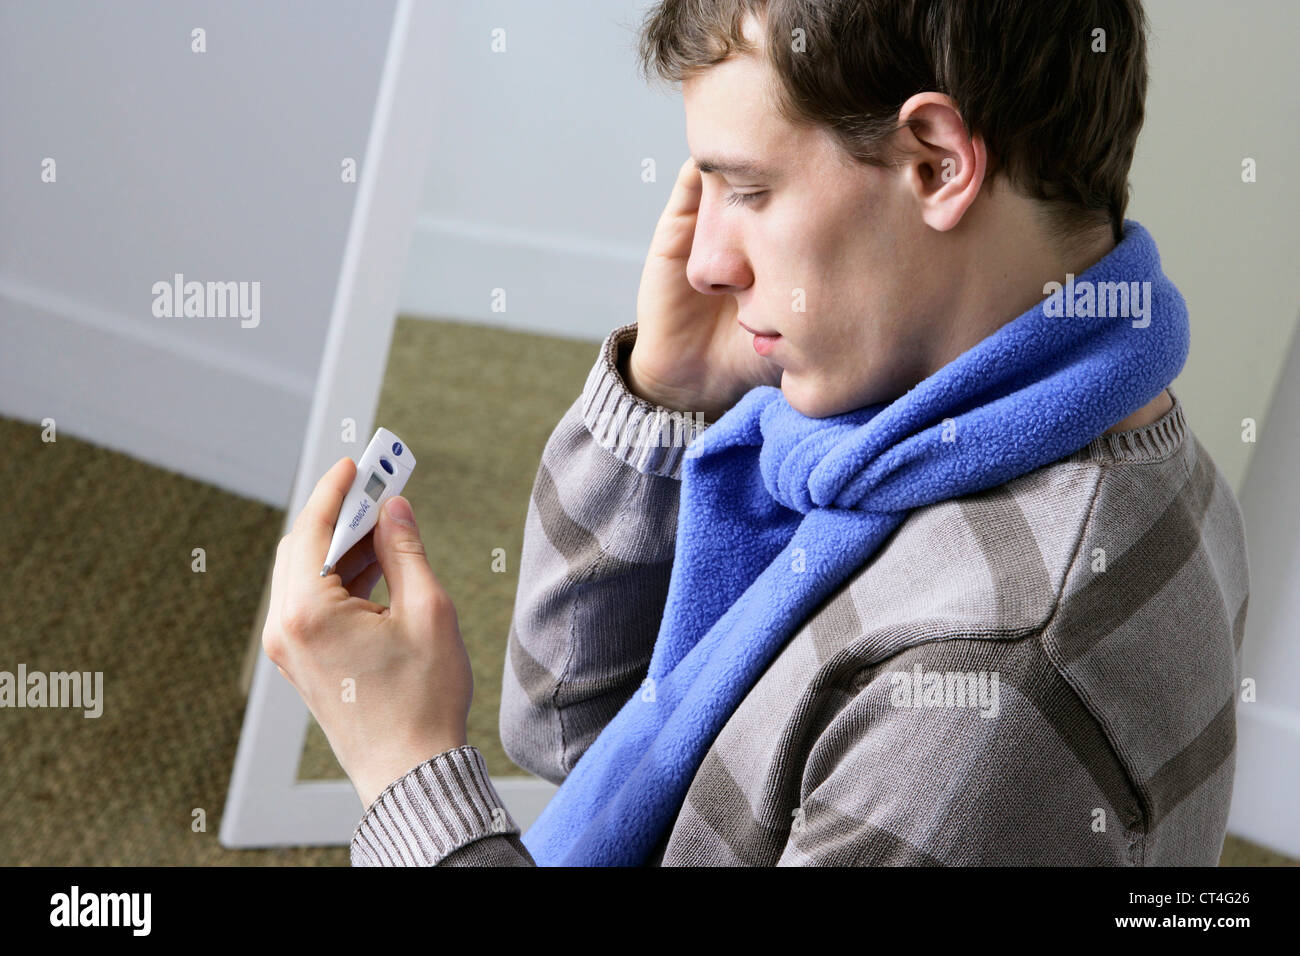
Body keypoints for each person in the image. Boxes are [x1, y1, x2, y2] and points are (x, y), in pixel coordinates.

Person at [263, 0, 1249, 866]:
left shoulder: (983, 689)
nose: (703, 261)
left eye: (748, 189)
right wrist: (665, 396)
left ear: (935, 163)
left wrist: (406, 770)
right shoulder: (996, 434)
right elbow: (568, 719)